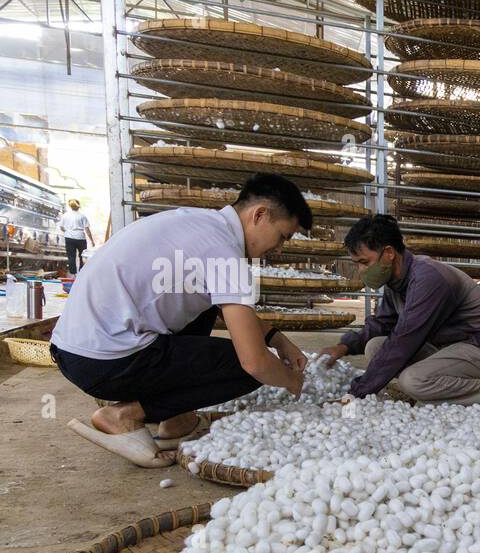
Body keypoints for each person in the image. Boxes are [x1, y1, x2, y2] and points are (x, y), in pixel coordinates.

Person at [50, 174, 312, 468]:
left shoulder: (200, 225)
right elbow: (254, 362)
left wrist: (277, 338)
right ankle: (125, 415)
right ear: (260, 215)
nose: (278, 250)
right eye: (282, 237)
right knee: (247, 369)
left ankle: (174, 420)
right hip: (105, 362)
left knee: (207, 309)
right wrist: (290, 379)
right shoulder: (224, 253)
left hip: (74, 350)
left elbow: (231, 310)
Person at [320, 214, 480, 404]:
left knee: (414, 381)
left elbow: (404, 340)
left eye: (364, 262)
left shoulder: (428, 279)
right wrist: (344, 346)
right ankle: (440, 388)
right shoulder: (395, 281)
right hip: (446, 349)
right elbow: (381, 324)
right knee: (375, 347)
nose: (361, 271)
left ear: (388, 253)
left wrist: (357, 393)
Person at [60, 199, 95, 276]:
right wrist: (92, 241)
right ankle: (82, 272)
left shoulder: (65, 215)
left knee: (71, 256)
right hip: (80, 238)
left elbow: (61, 228)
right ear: (78, 206)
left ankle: (73, 274)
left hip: (69, 238)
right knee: (82, 256)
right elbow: (87, 229)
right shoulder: (82, 216)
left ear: (70, 206)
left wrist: (68, 231)